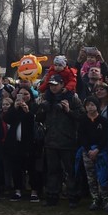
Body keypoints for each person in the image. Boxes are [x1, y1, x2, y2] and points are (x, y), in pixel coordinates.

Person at [36, 76, 83, 207]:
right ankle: (52, 196)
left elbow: (81, 116)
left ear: (63, 84)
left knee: (70, 171)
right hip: (50, 141)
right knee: (52, 170)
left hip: (68, 141)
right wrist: (41, 108)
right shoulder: (46, 98)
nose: (53, 87)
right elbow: (38, 118)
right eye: (51, 85)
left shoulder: (72, 98)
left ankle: (73, 196)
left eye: (56, 84)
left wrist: (69, 111)